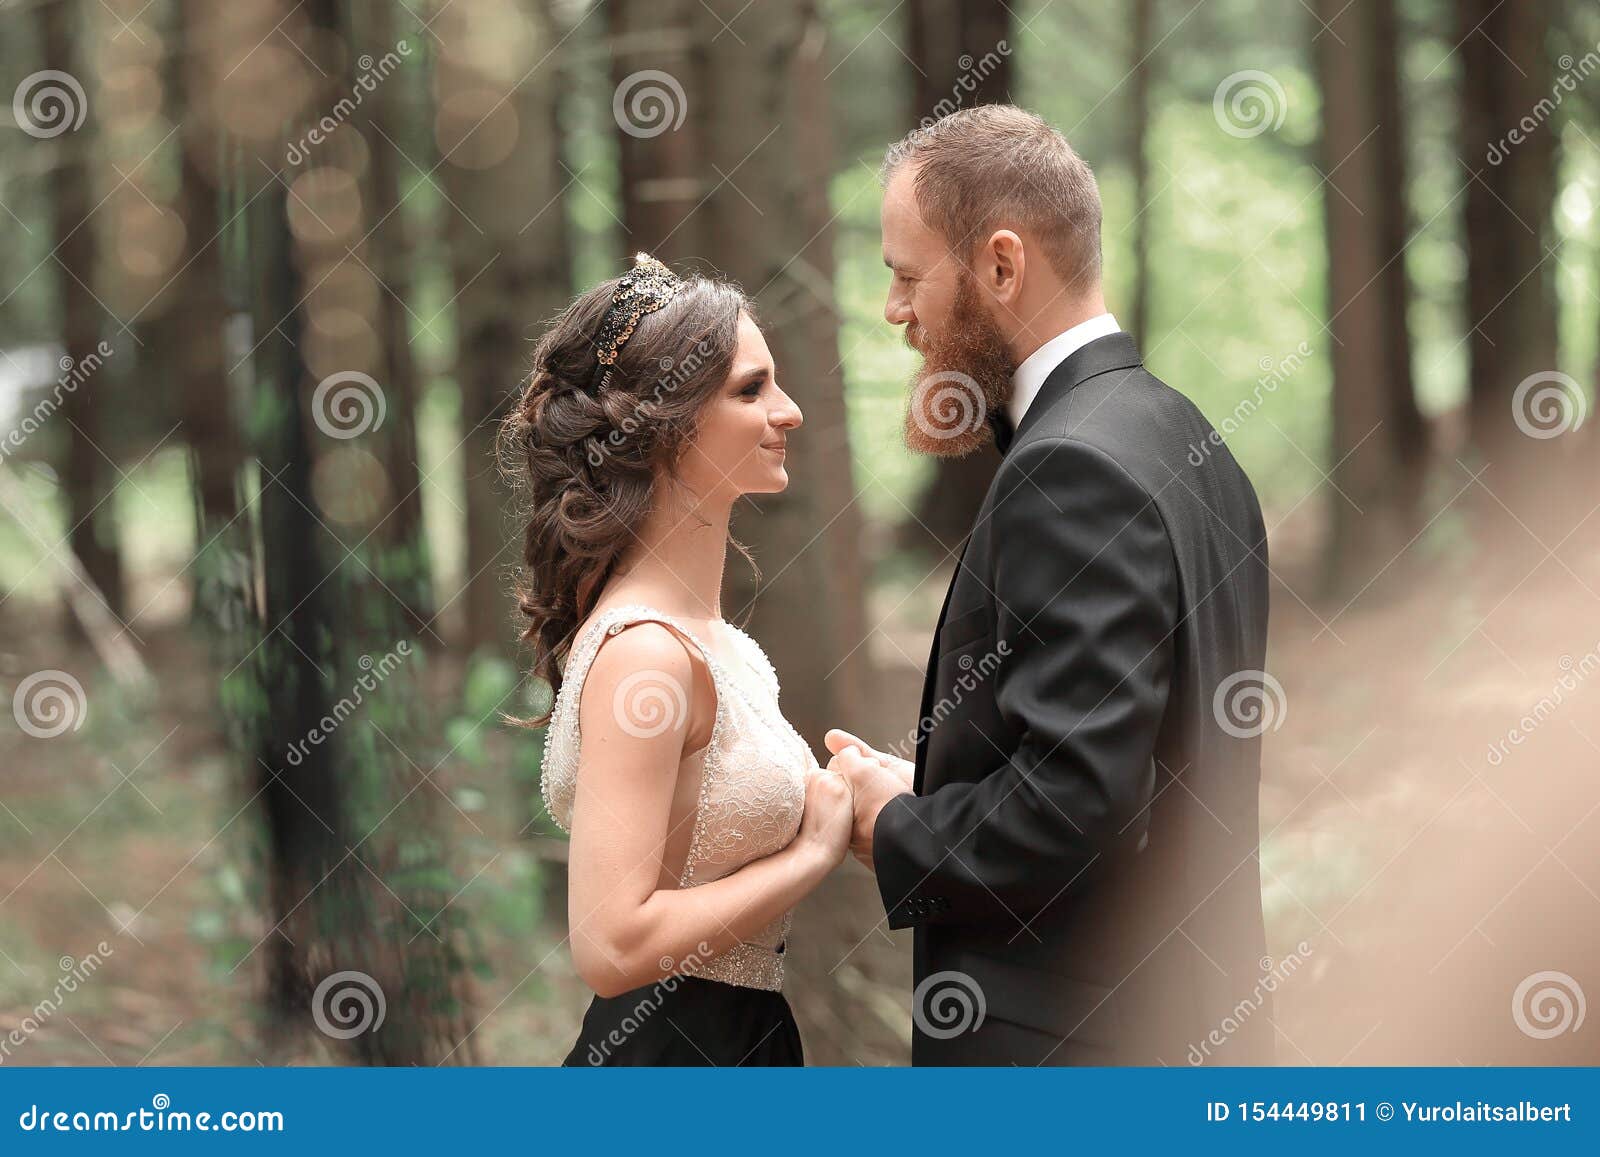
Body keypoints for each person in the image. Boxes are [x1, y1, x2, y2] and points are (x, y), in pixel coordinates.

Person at [829, 104, 1276, 1066]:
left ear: (1000, 265)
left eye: (908, 276)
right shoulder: (1186, 439)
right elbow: (1128, 755)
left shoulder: (1069, 469)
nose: (894, 310)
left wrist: (894, 826)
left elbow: (1076, 799)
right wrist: (942, 783)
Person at [501, 254, 854, 1066]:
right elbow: (611, 943)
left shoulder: (714, 641)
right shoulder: (647, 656)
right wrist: (809, 857)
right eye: (751, 389)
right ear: (663, 426)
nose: (789, 411)